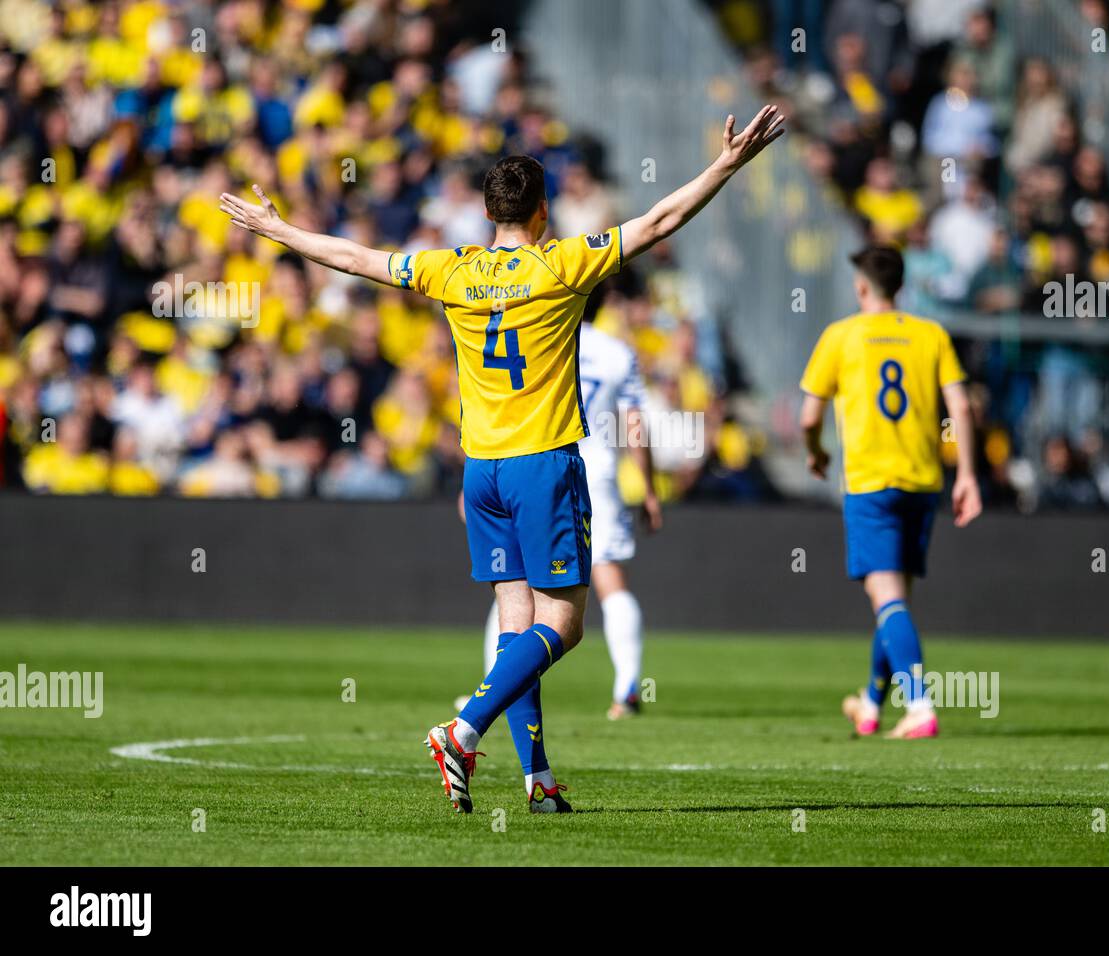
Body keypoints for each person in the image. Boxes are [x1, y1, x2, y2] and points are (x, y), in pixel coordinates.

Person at [219, 105, 785, 813]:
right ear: (543, 211)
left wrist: (276, 230)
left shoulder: (452, 271)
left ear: (489, 213)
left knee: (516, 629)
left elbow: (357, 258)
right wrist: (726, 165)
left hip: (480, 471)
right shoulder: (563, 264)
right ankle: (463, 729)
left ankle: (539, 781)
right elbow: (661, 221)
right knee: (565, 626)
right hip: (542, 463)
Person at [799, 244, 981, 739]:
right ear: (900, 286)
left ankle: (920, 706)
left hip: (871, 484)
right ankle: (872, 704)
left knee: (887, 601)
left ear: (862, 287)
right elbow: (961, 409)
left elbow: (809, 416)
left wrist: (815, 452)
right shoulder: (931, 334)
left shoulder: (841, 336)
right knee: (895, 600)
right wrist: (966, 473)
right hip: (923, 483)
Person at [474, 317, 662, 721]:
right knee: (609, 577)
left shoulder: (538, 330)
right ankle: (627, 686)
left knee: (513, 583)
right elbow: (633, 425)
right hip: (595, 469)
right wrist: (648, 488)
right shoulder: (617, 351)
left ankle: (492, 687)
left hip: (532, 463)